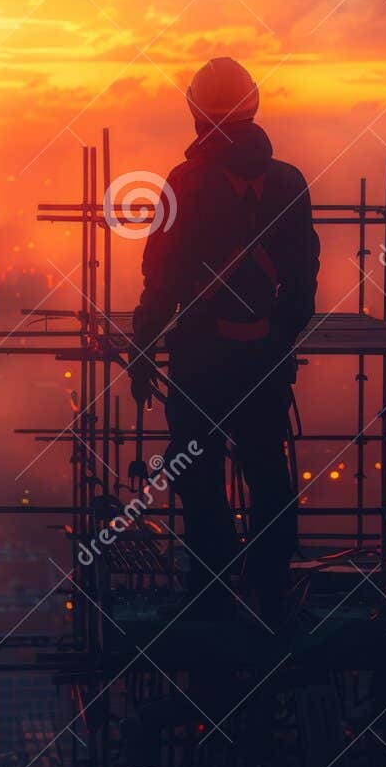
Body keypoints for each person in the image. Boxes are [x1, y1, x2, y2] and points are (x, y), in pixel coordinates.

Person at [130, 57, 319, 628]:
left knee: (199, 471)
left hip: (202, 355)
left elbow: (161, 275)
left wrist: (144, 344)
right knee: (266, 468)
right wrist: (278, 336)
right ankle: (269, 589)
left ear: (195, 115)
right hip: (261, 356)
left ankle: (212, 591)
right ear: (254, 107)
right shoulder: (286, 181)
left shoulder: (186, 183)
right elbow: (303, 272)